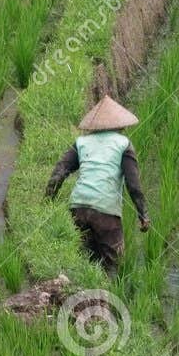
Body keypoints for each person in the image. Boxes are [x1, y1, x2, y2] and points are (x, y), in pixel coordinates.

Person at [45, 95, 150, 273]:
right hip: (106, 213)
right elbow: (133, 185)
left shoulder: (82, 142)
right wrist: (143, 215)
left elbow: (60, 171)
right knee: (112, 265)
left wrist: (48, 199)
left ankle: (81, 294)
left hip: (78, 208)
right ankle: (107, 298)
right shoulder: (124, 144)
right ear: (121, 124)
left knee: (84, 259)